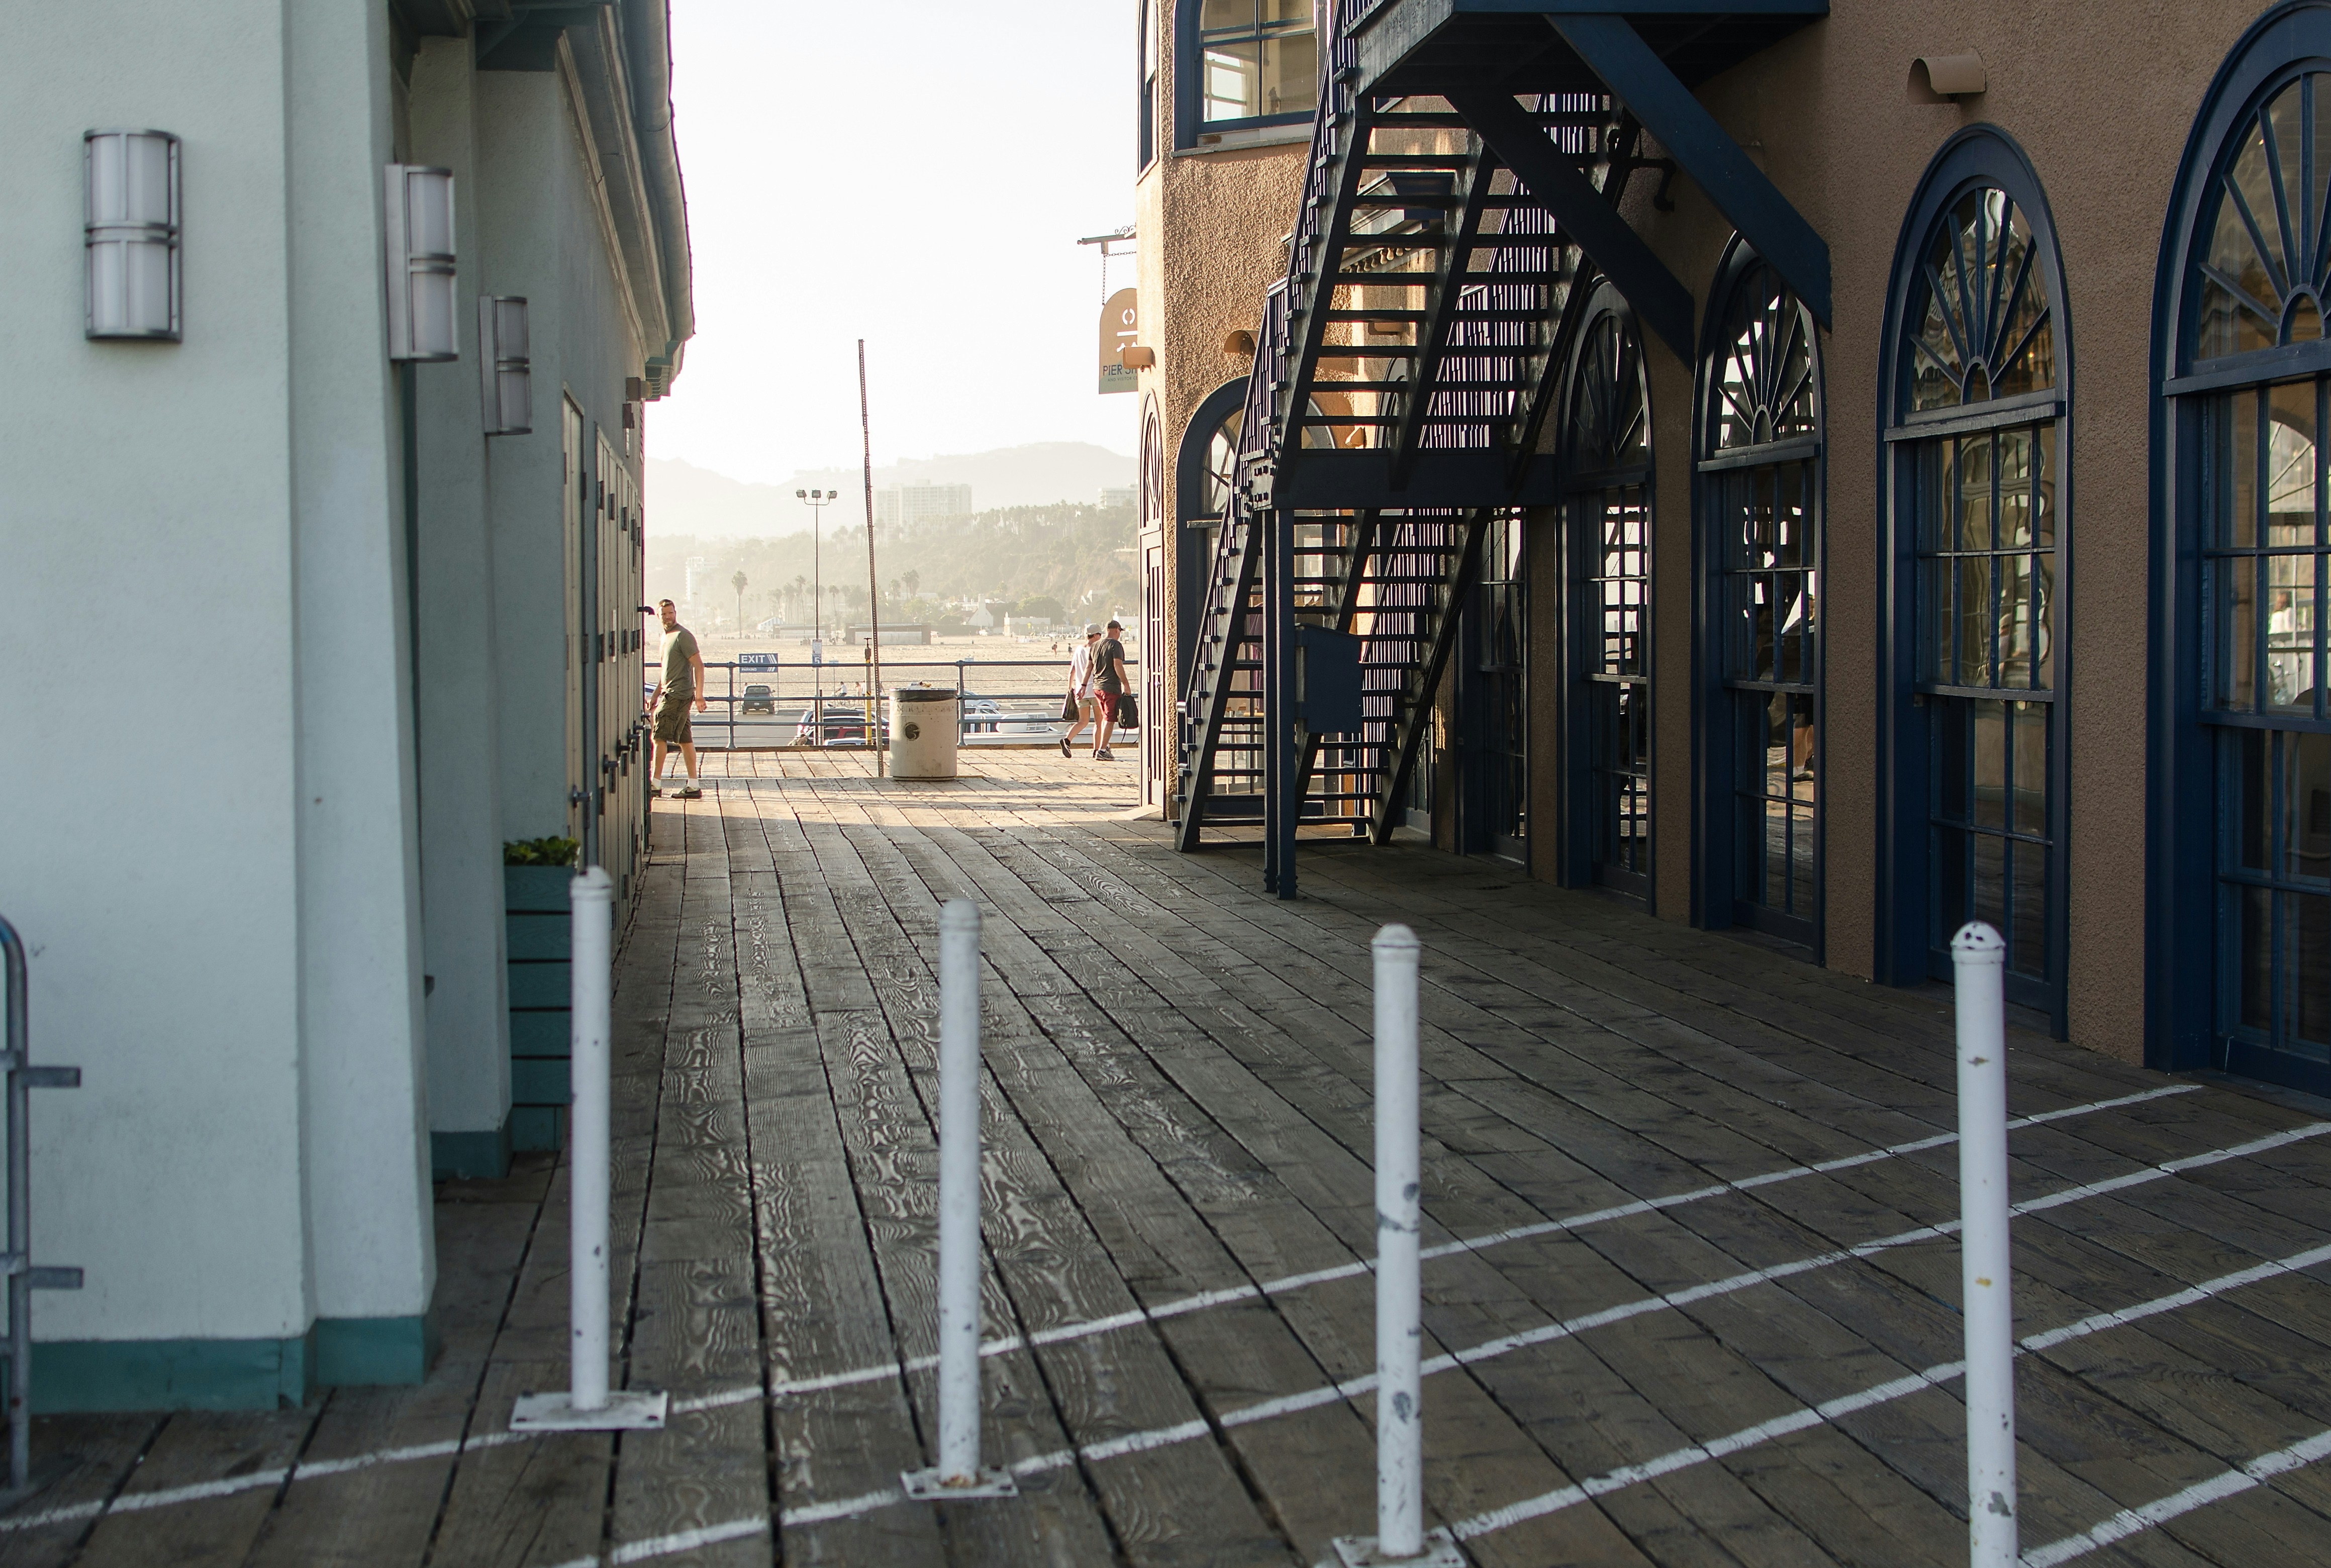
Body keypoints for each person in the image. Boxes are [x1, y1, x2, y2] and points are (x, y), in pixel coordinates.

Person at [647, 599, 706, 798]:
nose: (668, 617)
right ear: (659, 616)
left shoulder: (683, 636)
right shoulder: (665, 638)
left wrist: (699, 696)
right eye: (664, 614)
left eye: (670, 613)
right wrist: (655, 695)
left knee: (658, 737)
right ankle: (694, 786)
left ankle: (655, 784)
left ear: (676, 613)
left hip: (678, 695)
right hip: (670, 693)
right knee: (685, 739)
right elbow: (666, 672)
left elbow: (699, 666)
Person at [1089, 618, 1130, 761]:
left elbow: (1089, 667)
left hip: (1097, 687)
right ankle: (1102, 751)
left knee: (1104, 717)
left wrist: (1083, 685)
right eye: (1120, 631)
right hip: (1110, 687)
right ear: (1117, 630)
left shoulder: (1095, 645)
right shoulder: (1115, 645)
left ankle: (1104, 746)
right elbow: (1118, 665)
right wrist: (1126, 684)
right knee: (1110, 719)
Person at [1060, 623, 1101, 757]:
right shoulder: (1096, 649)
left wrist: (1070, 688)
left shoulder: (1078, 649)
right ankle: (1097, 750)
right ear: (1095, 636)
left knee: (1083, 721)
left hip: (1080, 691)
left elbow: (1072, 671)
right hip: (1094, 690)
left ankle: (1067, 740)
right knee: (1099, 722)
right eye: (1100, 635)